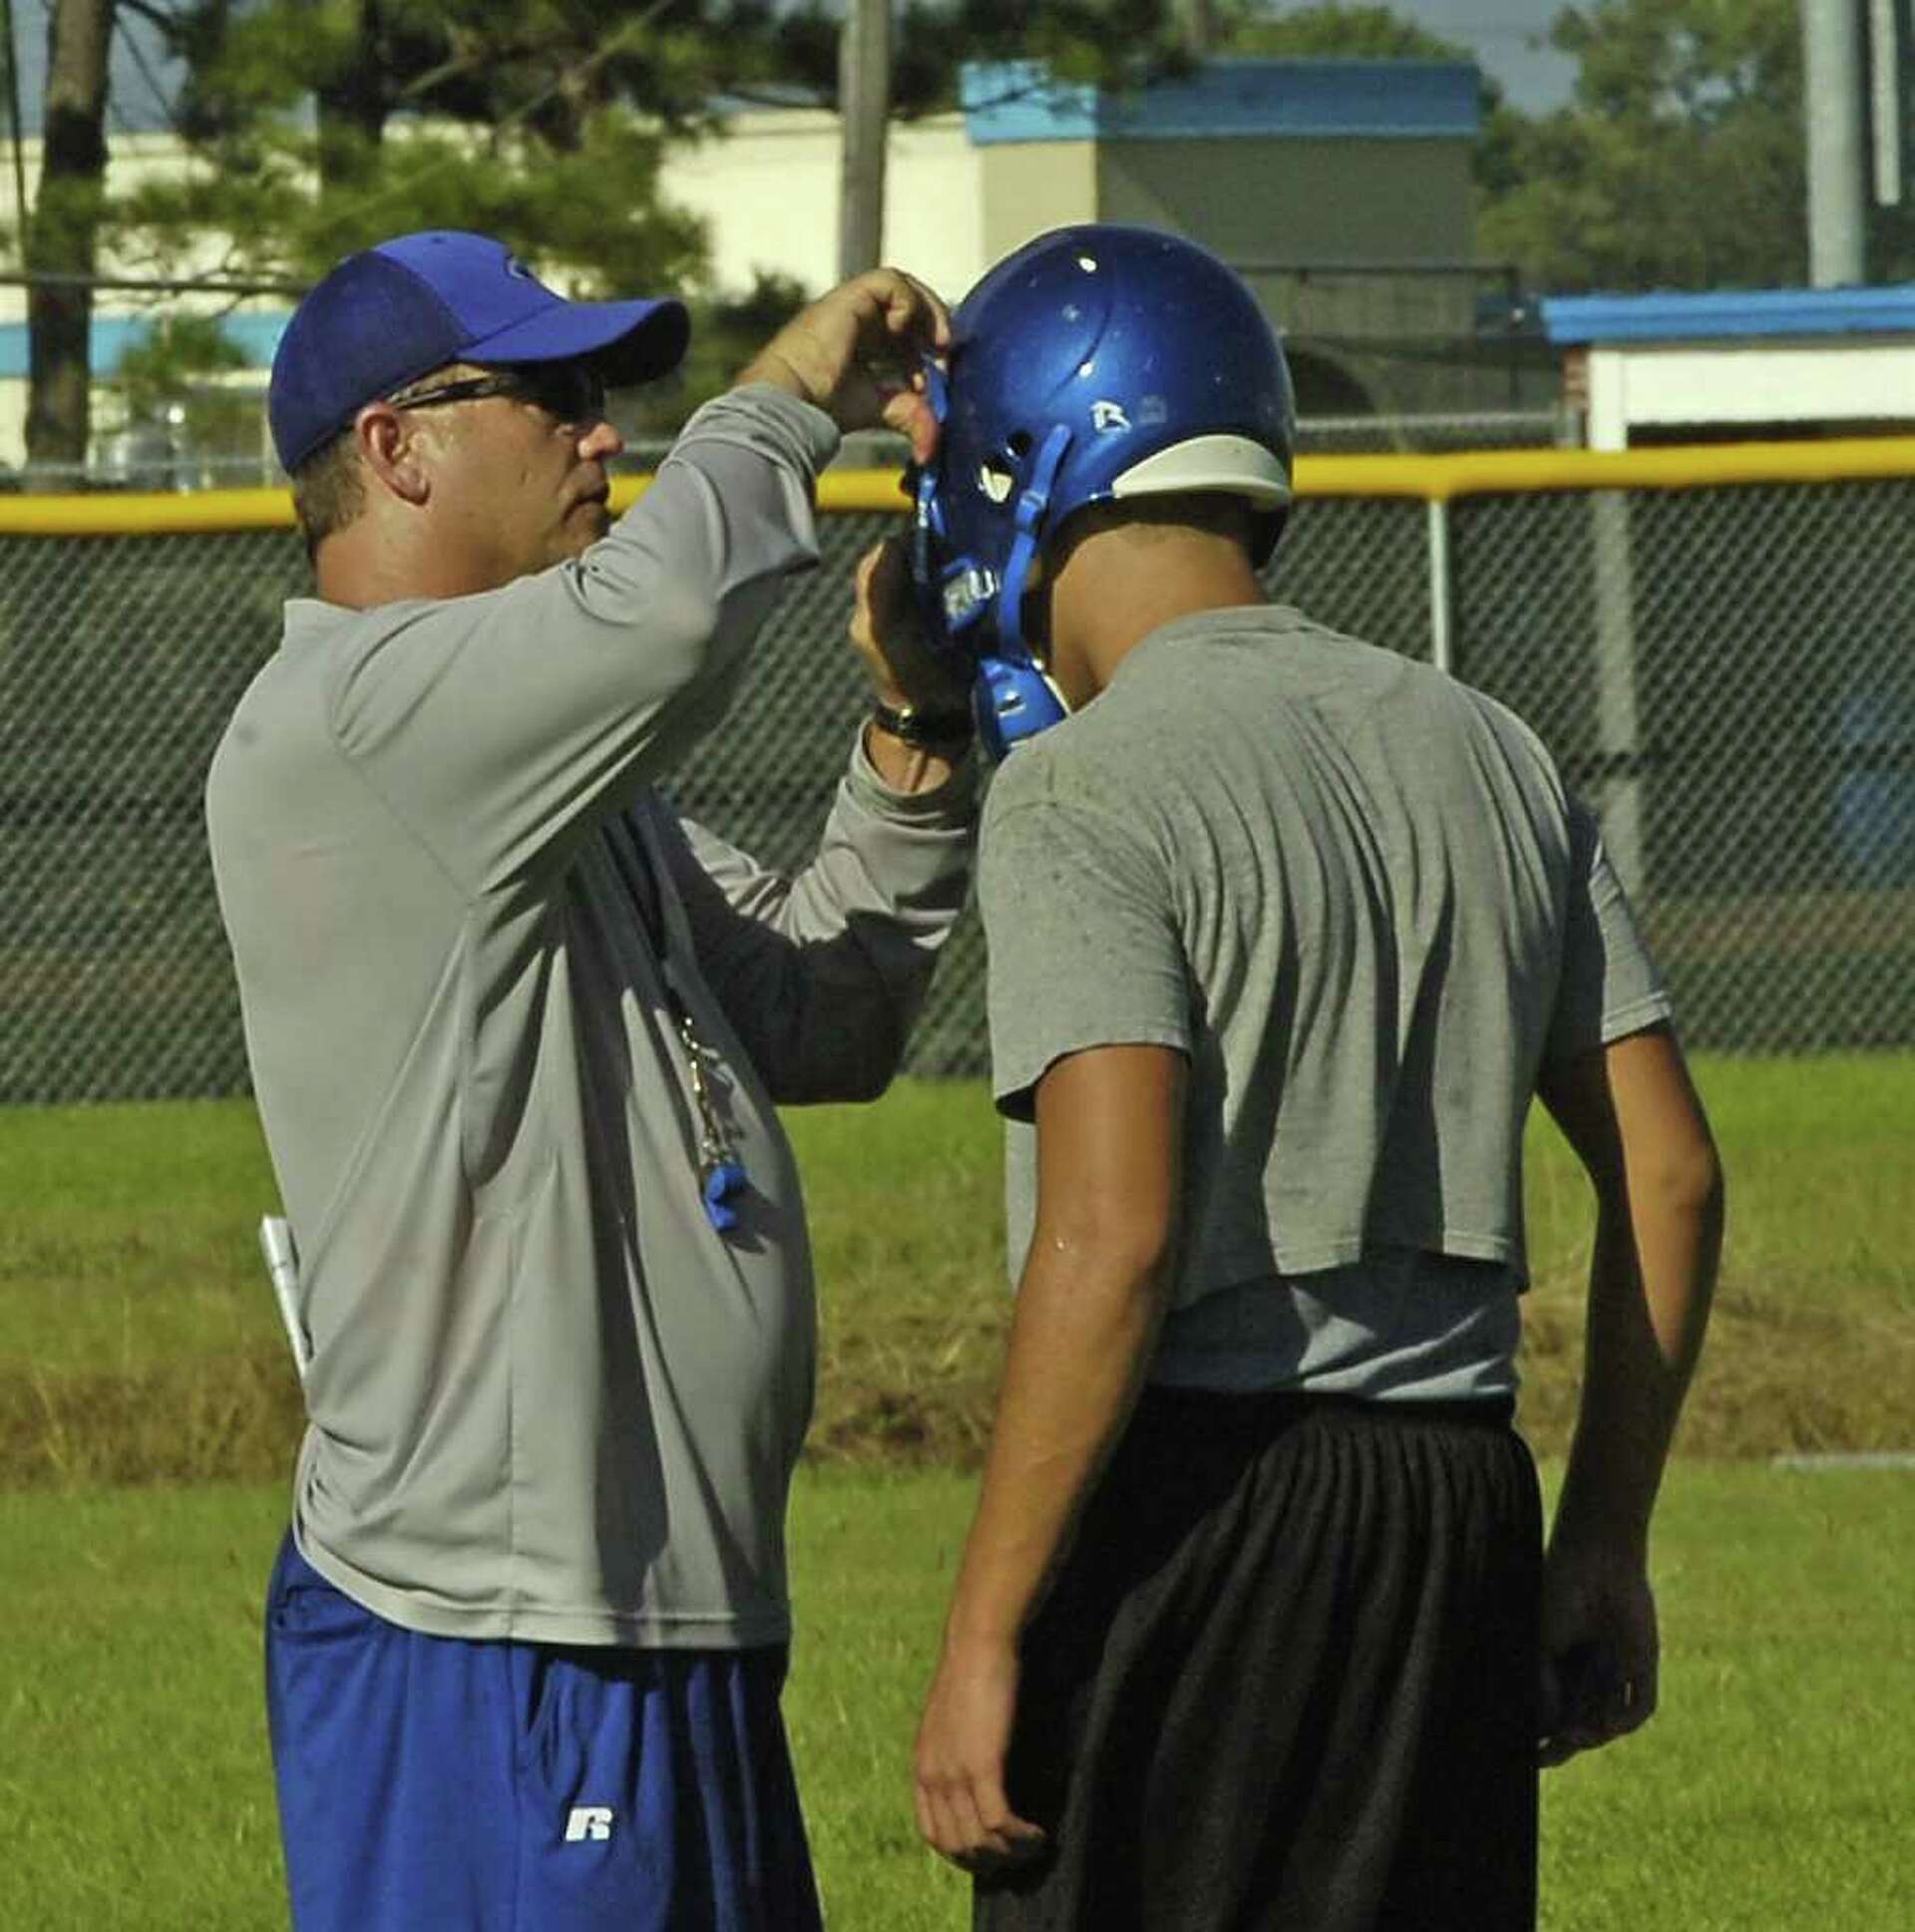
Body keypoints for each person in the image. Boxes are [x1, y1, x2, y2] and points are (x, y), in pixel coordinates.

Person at [901, 224, 1724, 1930]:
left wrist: (982, 1631)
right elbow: (1672, 1174)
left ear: (1021, 473)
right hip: (1457, 1499)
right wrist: (1602, 1535)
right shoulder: (1493, 745)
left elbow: (1115, 1233)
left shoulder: (1084, 786)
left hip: (1202, 1501)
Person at [205, 228, 978, 1932]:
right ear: (395, 446)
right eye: (548, 396)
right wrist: (789, 393)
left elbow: (824, 1017)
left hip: (653, 1620)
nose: (601, 432)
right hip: (493, 1641)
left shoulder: (549, 780)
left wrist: (917, 738)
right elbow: (671, 612)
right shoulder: (353, 717)